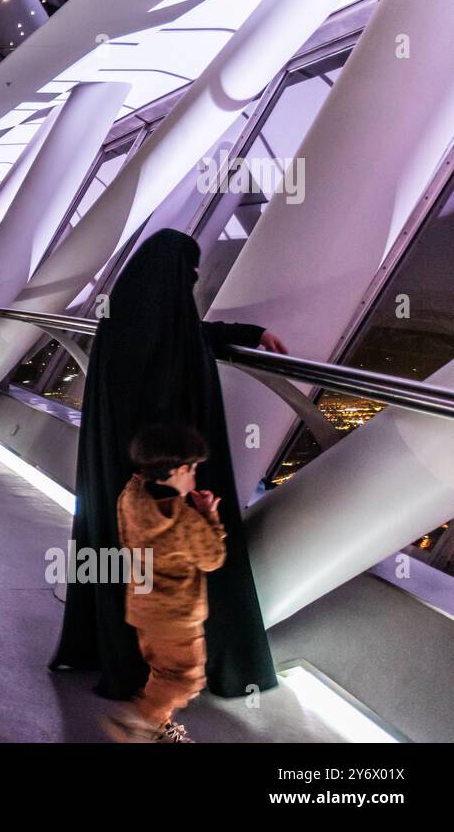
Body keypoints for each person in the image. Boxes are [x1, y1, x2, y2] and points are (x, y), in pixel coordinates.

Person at [50, 229, 285, 700]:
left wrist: (249, 334)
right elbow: (156, 390)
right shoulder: (147, 334)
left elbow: (192, 335)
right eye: (190, 269)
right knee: (181, 572)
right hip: (165, 477)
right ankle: (162, 690)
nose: (195, 276)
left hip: (145, 477)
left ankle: (148, 668)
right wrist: (176, 472)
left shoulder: (135, 323)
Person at [103, 424, 227, 743]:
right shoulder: (184, 522)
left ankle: (157, 727)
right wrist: (209, 516)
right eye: (194, 469)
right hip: (177, 616)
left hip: (143, 607)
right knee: (187, 679)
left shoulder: (131, 496)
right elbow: (213, 557)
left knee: (163, 674)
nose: (195, 475)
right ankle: (136, 722)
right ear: (181, 469)